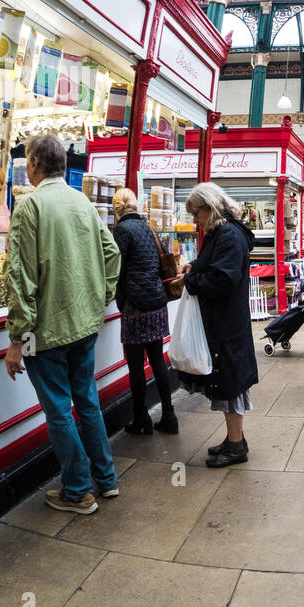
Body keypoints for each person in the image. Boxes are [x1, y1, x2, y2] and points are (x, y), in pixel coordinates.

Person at [4, 135, 121, 515]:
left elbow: (19, 278)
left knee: (58, 411)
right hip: (84, 325)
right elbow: (112, 252)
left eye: (27, 161)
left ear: (35, 163)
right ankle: (106, 480)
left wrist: (17, 339)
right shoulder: (81, 201)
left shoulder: (29, 206)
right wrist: (99, 296)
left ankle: (77, 491)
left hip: (46, 331)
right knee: (87, 402)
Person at [168, 183, 258, 468]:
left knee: (231, 386)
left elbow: (223, 279)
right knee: (228, 383)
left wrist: (190, 282)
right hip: (225, 323)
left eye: (197, 213)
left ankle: (235, 446)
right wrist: (194, 266)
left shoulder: (228, 235)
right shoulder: (224, 233)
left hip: (227, 325)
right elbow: (215, 266)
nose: (195, 220)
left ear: (210, 208)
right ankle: (235, 439)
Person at [111, 187, 176, 437]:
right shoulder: (149, 228)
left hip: (136, 305)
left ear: (117, 210)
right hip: (157, 302)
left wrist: (119, 300)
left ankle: (141, 418)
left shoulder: (122, 231)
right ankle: (169, 415)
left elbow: (117, 268)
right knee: (158, 359)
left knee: (136, 365)